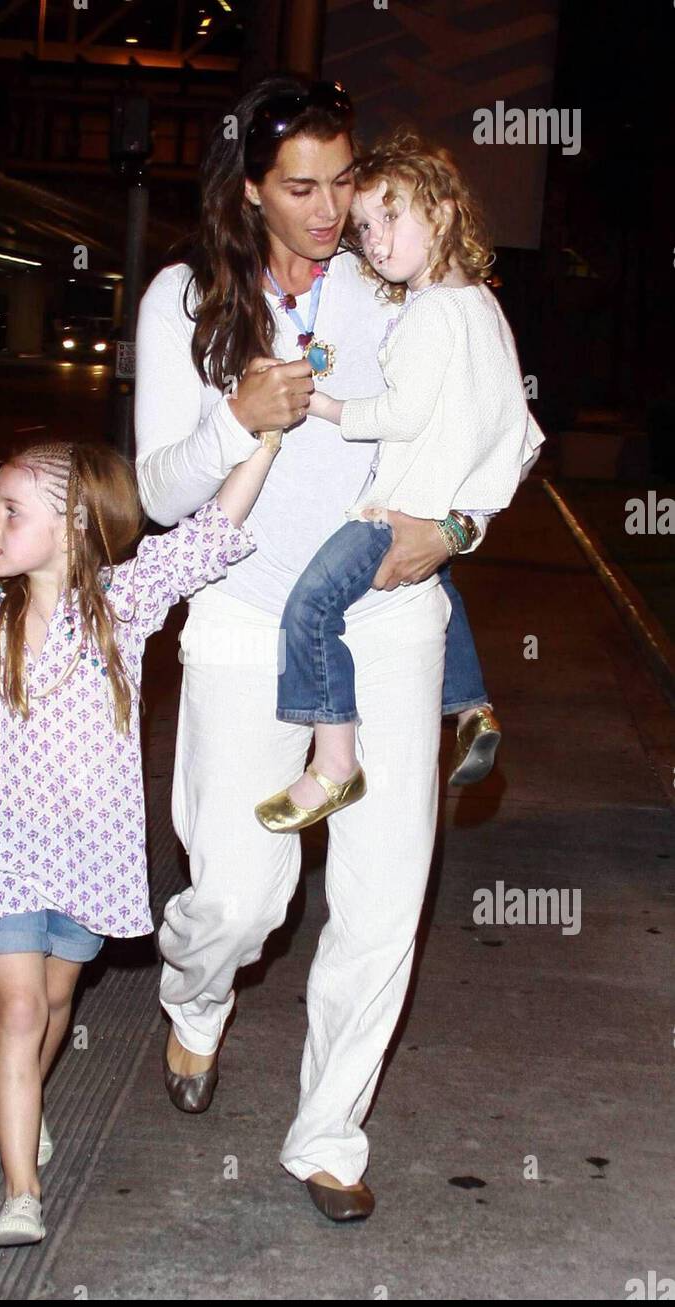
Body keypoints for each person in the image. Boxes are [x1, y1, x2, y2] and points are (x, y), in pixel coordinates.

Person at [135, 75, 494, 1221]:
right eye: (304, 187)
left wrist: (458, 528)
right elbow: (154, 490)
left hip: (386, 619)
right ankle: (196, 1001)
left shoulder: (392, 281)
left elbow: (493, 422)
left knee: (384, 897)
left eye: (345, 181)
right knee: (241, 897)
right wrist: (234, 417)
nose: (335, 209)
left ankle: (329, 1129)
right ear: (250, 190)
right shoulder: (185, 301)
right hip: (244, 620)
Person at [0, 438, 274, 1245]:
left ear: (71, 526)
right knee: (21, 1006)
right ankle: (20, 1193)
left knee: (57, 1001)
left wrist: (262, 438)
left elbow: (210, 533)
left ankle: (24, 1103)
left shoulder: (120, 605)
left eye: (11, 511)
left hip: (87, 854)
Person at [256, 131, 544, 832]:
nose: (374, 241)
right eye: (364, 227)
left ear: (441, 213)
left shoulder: (427, 314)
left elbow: (402, 412)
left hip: (389, 512)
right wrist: (462, 512)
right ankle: (472, 705)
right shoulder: (484, 309)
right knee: (439, 588)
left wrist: (321, 405)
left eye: (391, 217)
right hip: (441, 511)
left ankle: (332, 763)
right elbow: (526, 433)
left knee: (310, 610)